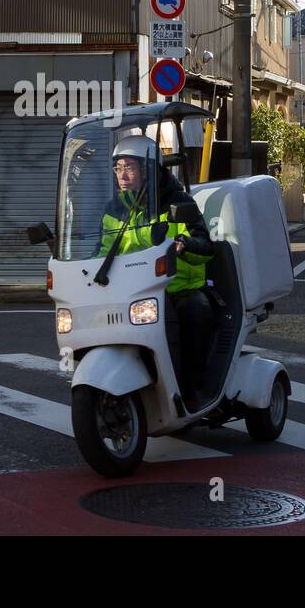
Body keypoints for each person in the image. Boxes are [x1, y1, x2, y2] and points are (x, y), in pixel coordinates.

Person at [98, 136, 219, 407]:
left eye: (129, 167)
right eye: (118, 168)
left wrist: (184, 244)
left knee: (196, 312)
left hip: (176, 288)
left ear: (148, 170)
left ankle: (190, 388)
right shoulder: (114, 209)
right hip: (131, 289)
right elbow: (102, 251)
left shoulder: (178, 202)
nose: (122, 176)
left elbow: (206, 247)